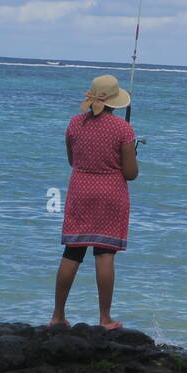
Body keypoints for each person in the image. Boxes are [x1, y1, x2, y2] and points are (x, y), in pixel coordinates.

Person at [49, 74, 139, 330]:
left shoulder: (74, 123)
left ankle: (57, 315)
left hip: (80, 191)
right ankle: (105, 318)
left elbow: (72, 161)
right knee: (104, 254)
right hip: (110, 194)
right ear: (114, 101)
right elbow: (130, 174)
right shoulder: (123, 129)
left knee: (72, 252)